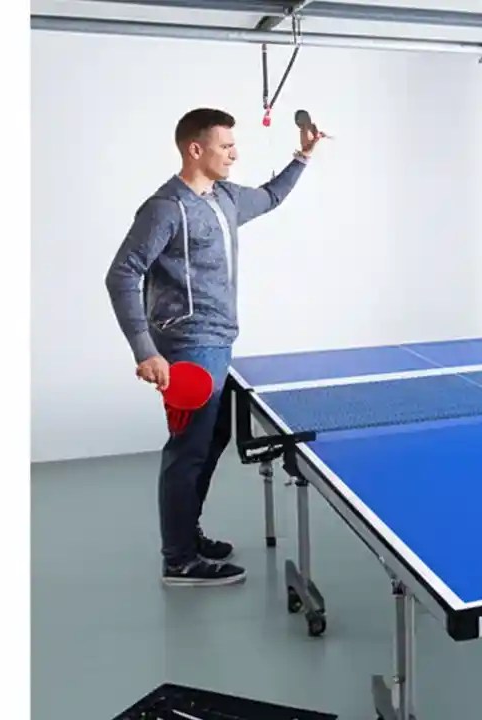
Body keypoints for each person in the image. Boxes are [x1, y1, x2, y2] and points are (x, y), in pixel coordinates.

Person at [105, 107, 320, 586]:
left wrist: (302, 156)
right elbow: (122, 274)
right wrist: (145, 351)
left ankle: (185, 535)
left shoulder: (223, 197)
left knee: (211, 440)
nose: (234, 154)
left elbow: (269, 196)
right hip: (187, 347)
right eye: (226, 146)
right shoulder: (165, 208)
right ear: (194, 149)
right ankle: (178, 559)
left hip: (219, 342)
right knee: (189, 450)